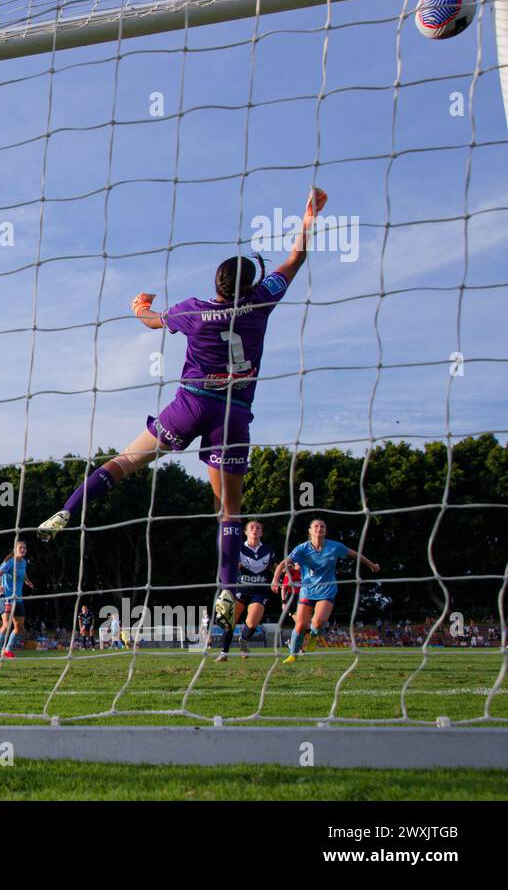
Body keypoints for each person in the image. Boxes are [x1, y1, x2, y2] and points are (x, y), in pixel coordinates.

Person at [38, 188, 329, 631]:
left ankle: (67, 510)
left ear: (215, 284)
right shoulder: (262, 301)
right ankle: (227, 590)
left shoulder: (194, 311)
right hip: (231, 417)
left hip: (189, 405)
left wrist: (140, 306)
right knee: (229, 511)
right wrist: (308, 217)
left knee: (124, 462)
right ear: (249, 285)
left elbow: (152, 320)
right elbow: (295, 259)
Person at [272, 519, 381, 663]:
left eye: (322, 526)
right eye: (316, 526)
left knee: (317, 622)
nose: (319, 528)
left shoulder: (334, 547)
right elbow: (282, 564)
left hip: (327, 590)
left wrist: (372, 565)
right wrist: (275, 579)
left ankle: (314, 636)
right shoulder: (302, 549)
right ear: (310, 531)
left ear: (325, 530)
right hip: (307, 591)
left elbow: (355, 554)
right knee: (300, 624)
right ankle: (293, 655)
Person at [216, 520, 274, 661]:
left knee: (253, 623)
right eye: (252, 528)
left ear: (261, 532)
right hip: (240, 589)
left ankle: (243, 640)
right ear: (246, 532)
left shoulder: (268, 549)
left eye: (258, 528)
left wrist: (283, 573)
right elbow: (227, 567)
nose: (255, 530)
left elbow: (275, 567)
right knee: (231, 620)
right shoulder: (238, 549)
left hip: (260, 591)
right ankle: (224, 653)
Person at [0, 540, 28, 659]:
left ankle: (7, 650)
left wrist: (27, 580)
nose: (23, 550)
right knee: (6, 625)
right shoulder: (9, 562)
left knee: (19, 627)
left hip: (18, 599)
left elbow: (23, 573)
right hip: (7, 598)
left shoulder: (24, 562)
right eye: (20, 548)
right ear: (15, 550)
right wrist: (0, 587)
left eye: (24, 548)